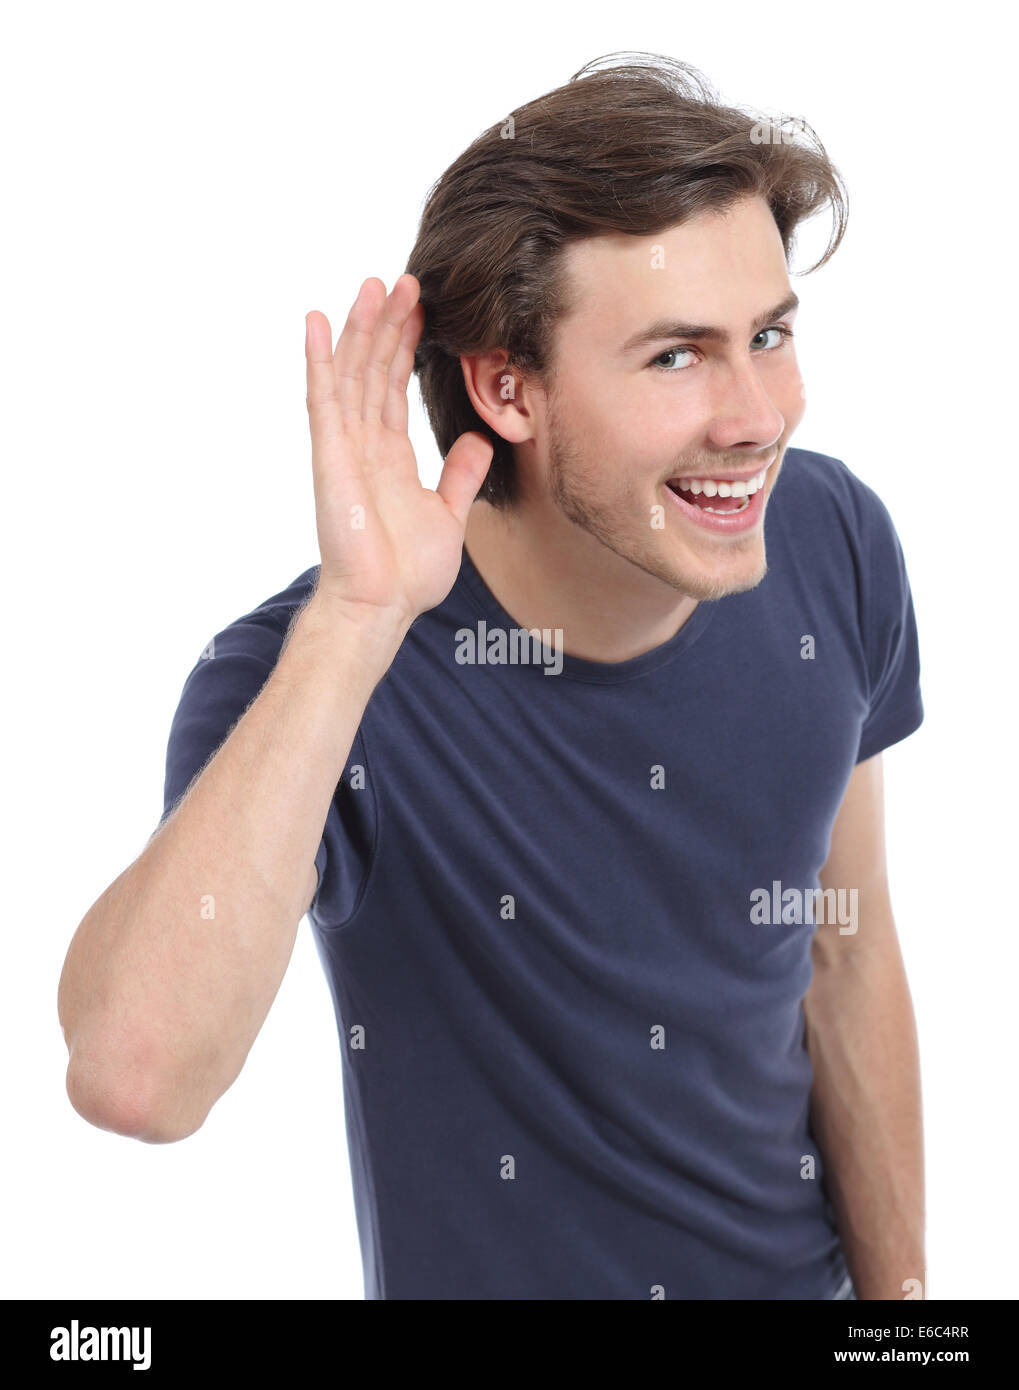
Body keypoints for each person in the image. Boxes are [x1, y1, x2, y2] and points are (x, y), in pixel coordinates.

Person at [58, 54, 925, 1301]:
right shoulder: (303, 676)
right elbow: (134, 1077)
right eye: (676, 357)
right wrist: (357, 619)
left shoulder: (832, 538)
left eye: (768, 336)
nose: (755, 416)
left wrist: (901, 1315)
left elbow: (844, 953)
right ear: (503, 386)